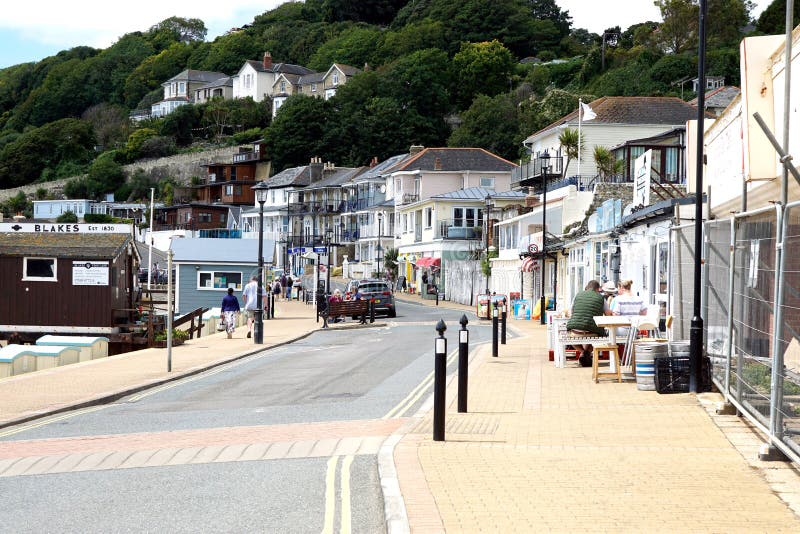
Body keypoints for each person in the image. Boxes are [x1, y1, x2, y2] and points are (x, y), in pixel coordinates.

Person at [566, 280, 607, 367]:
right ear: (598, 289)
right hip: (592, 332)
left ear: (587, 287)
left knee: (571, 337)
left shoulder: (578, 295)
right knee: (598, 336)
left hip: (575, 332)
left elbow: (570, 313)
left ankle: (583, 353)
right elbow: (608, 314)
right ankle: (587, 353)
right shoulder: (601, 298)